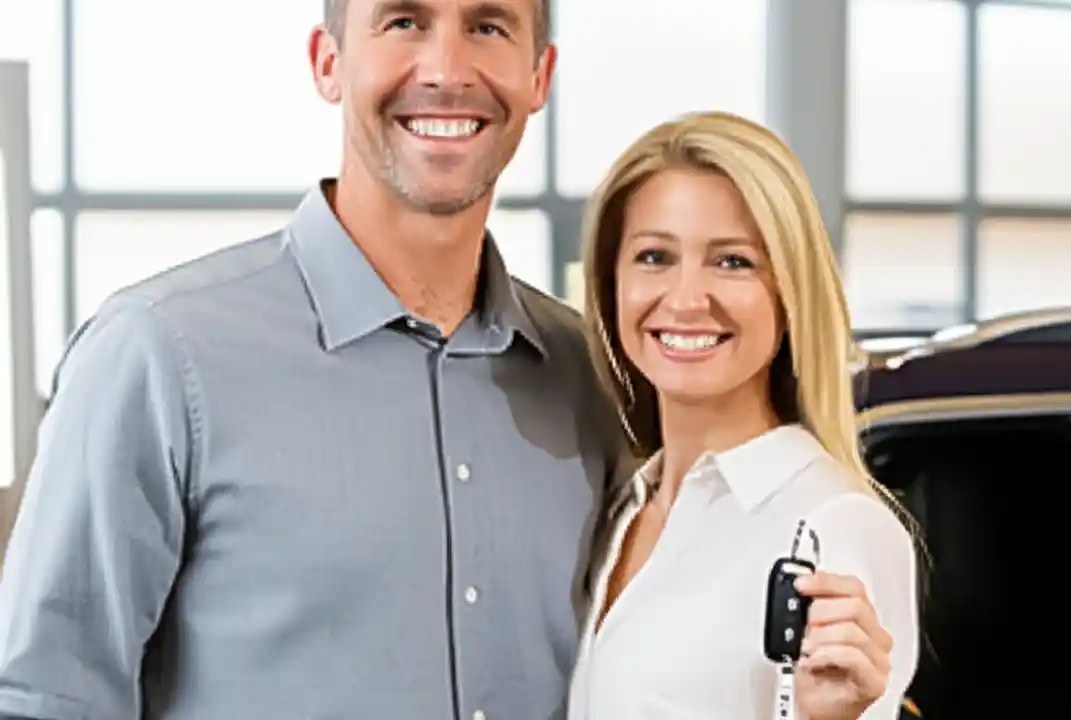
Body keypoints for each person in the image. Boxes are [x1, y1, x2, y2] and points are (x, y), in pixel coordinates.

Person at [0, 1, 630, 718]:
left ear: (539, 75)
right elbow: (47, 698)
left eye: (488, 26)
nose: (448, 69)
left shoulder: (592, 379)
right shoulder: (158, 355)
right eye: (403, 22)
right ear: (327, 63)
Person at [567, 111, 921, 720]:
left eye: (732, 262)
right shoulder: (620, 507)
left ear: (788, 293)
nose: (683, 300)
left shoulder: (833, 526)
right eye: (654, 256)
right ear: (609, 283)